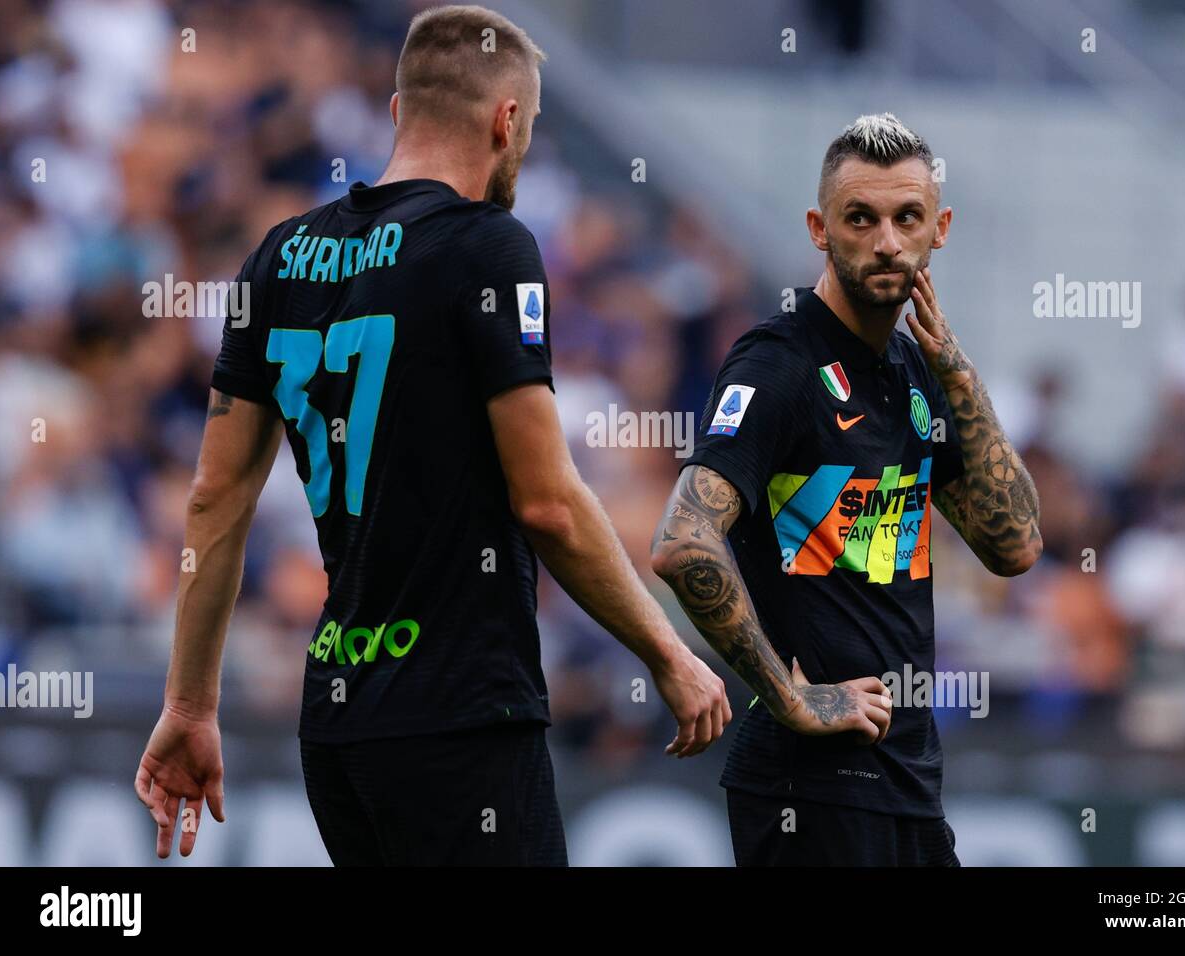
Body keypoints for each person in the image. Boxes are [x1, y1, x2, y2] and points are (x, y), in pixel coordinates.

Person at [135, 4, 728, 867]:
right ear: (507, 120)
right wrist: (670, 654)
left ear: (395, 112)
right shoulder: (486, 247)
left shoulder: (279, 257)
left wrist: (189, 708)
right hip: (458, 715)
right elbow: (549, 503)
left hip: (338, 722)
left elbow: (214, 495)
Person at [650, 113, 1042, 866]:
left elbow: (1016, 543)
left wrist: (957, 370)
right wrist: (790, 696)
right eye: (860, 219)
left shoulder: (919, 367)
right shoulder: (779, 363)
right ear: (819, 228)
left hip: (905, 779)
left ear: (941, 227)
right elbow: (681, 542)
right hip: (811, 787)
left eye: (907, 218)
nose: (887, 241)